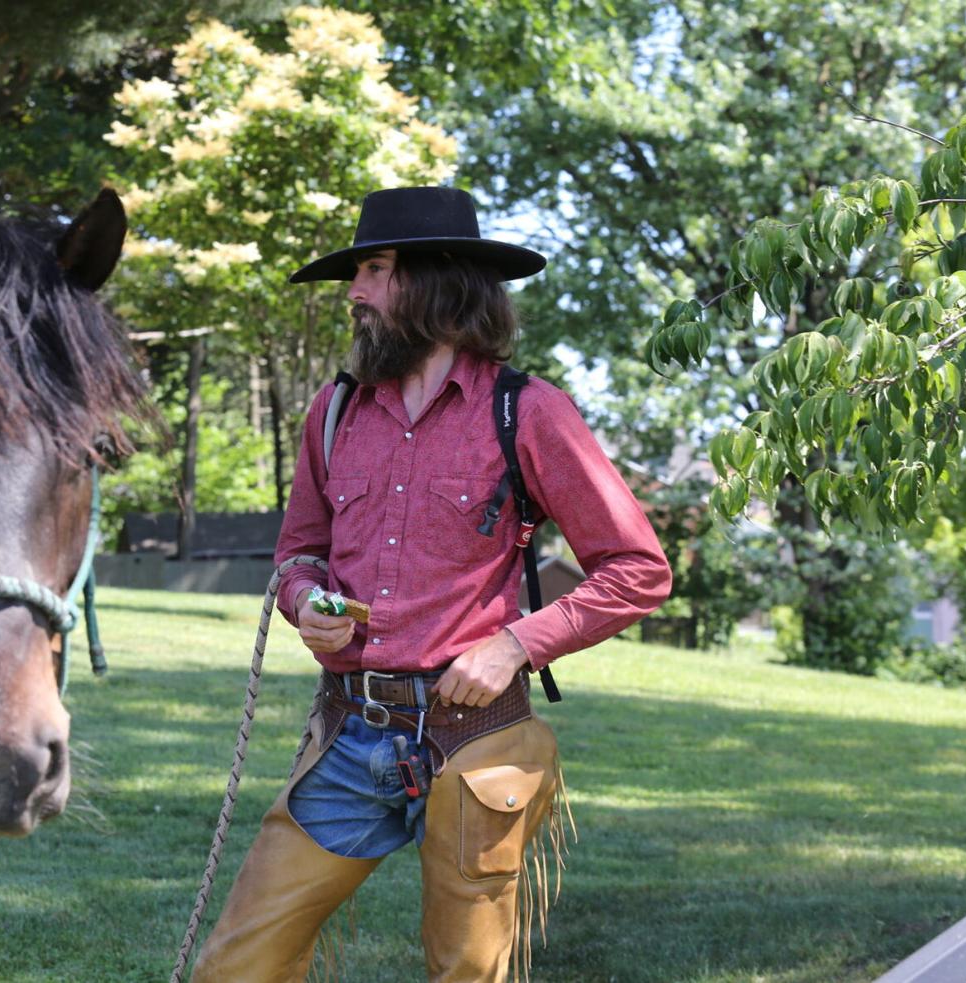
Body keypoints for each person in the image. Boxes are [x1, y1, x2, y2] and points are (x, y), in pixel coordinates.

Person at [191, 186, 672, 983]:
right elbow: (299, 552)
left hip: (477, 745)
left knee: (465, 974)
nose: (356, 292)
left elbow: (639, 569)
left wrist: (516, 643)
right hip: (350, 738)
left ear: (438, 280)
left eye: (375, 270)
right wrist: (306, 602)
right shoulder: (334, 411)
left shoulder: (530, 413)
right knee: (234, 967)